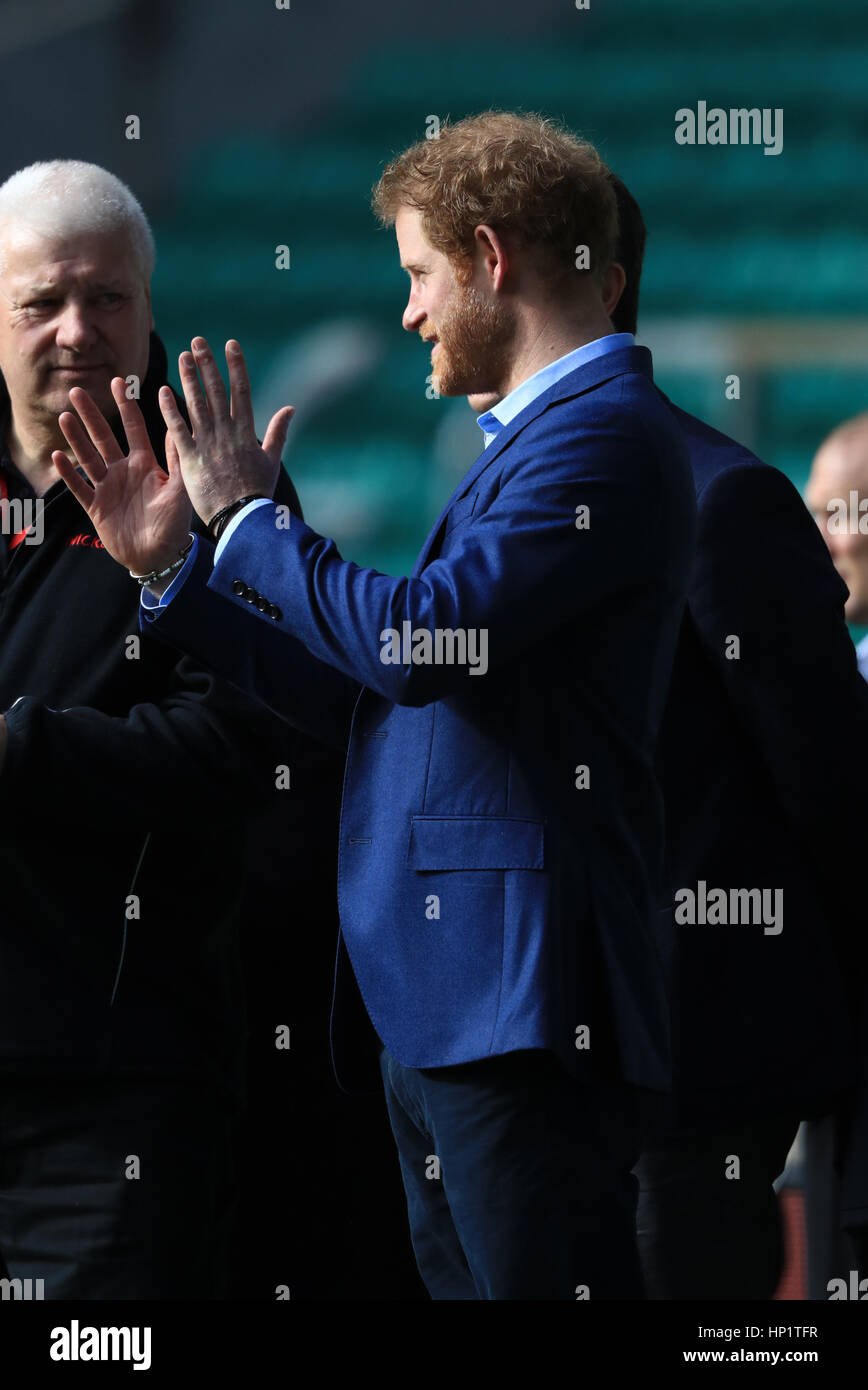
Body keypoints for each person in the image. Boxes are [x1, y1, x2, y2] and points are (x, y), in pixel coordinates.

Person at [54, 112, 698, 1301]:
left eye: (418, 273)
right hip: (456, 1011)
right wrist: (174, 577)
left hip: (520, 1007)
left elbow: (411, 643)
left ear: (491, 259)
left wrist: (252, 522)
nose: (407, 311)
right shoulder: (539, 444)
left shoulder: (600, 439)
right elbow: (375, 697)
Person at [0, 159, 306, 1299]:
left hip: (113, 1087)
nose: (78, 330)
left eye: (108, 298)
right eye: (42, 301)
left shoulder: (219, 486)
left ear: (148, 302)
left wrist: (22, 750)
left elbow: (250, 747)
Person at [607, 174, 868, 1298]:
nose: (824, 536)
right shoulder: (510, 500)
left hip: (728, 1068)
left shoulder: (719, 508)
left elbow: (826, 785)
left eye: (845, 508)